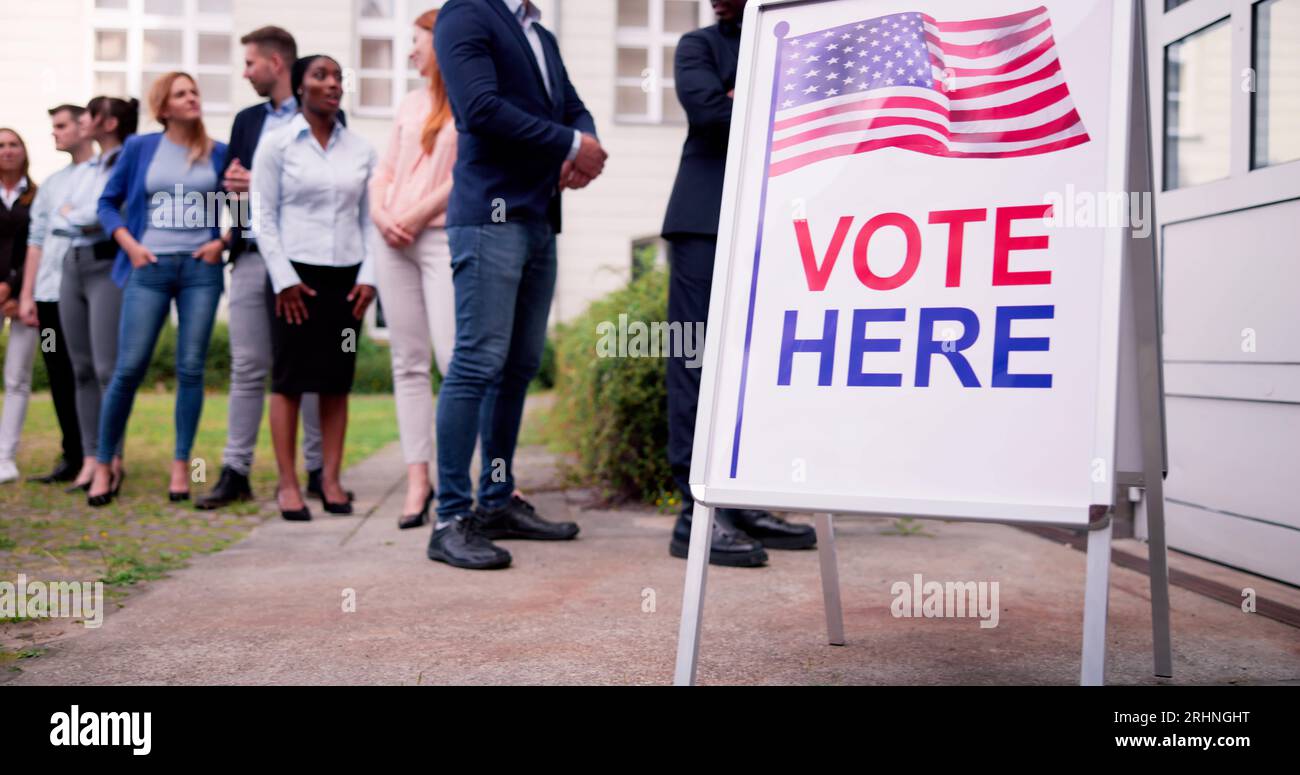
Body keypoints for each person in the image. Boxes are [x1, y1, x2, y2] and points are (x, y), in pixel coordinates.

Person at [429, 0, 605, 570]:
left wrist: (586, 138)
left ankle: (498, 501)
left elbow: (572, 106)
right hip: (489, 216)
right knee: (477, 364)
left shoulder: (541, 33)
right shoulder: (466, 14)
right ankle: (451, 518)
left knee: (518, 367)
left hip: (538, 217)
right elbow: (479, 108)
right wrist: (571, 146)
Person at [662, 0, 815, 567]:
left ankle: (745, 498)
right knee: (695, 362)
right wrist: (771, 99)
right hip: (703, 222)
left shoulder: (796, 37)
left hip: (774, 221)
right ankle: (695, 511)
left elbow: (820, 111)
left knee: (759, 365)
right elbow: (708, 113)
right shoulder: (697, 45)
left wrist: (741, 96)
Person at [198, 26, 331, 511]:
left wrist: (260, 182)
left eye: (251, 62)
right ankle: (236, 470)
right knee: (248, 366)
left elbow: (326, 184)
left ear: (277, 64)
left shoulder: (319, 115)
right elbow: (224, 187)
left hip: (306, 262)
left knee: (311, 368)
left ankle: (318, 471)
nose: (245, 71)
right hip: (252, 253)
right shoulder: (248, 120)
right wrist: (232, 188)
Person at [90, 72, 228, 506]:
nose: (192, 99)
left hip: (199, 271)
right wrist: (130, 246)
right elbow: (107, 203)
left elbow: (245, 207)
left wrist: (221, 242)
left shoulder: (220, 152)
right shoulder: (140, 147)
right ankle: (103, 462)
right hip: (147, 267)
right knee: (128, 368)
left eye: (195, 92)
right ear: (163, 107)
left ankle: (180, 465)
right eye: (181, 94)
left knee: (191, 368)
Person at [251, 54, 377, 521]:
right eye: (321, 76)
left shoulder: (361, 149)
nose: (332, 84)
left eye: (338, 77)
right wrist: (284, 279)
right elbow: (261, 215)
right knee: (288, 382)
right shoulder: (278, 144)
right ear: (300, 86)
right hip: (293, 278)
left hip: (346, 279)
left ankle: (330, 478)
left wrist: (369, 278)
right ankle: (288, 485)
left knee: (335, 383)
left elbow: (370, 220)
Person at [20, 98, 136, 492]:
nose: (56, 132)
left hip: (99, 273)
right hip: (50, 294)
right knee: (62, 370)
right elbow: (38, 239)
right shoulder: (53, 184)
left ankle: (107, 457)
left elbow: (93, 216)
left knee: (104, 369)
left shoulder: (111, 164)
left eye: (63, 125)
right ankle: (77, 453)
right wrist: (28, 295)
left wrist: (75, 217)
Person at [371, 9, 457, 530]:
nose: (409, 52)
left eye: (417, 42)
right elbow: (384, 172)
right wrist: (383, 214)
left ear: (441, 43)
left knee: (452, 360)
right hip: (392, 240)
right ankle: (417, 480)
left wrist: (416, 213)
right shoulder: (408, 103)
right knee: (407, 364)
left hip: (439, 236)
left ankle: (454, 478)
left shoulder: (467, 101)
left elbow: (468, 173)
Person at [0, 128, 39, 485]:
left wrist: (15, 291)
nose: (7, 151)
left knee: (17, 377)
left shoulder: (37, 195)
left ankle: (6, 457)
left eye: (13, 144)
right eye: (1, 145)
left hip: (26, 297)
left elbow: (36, 244)